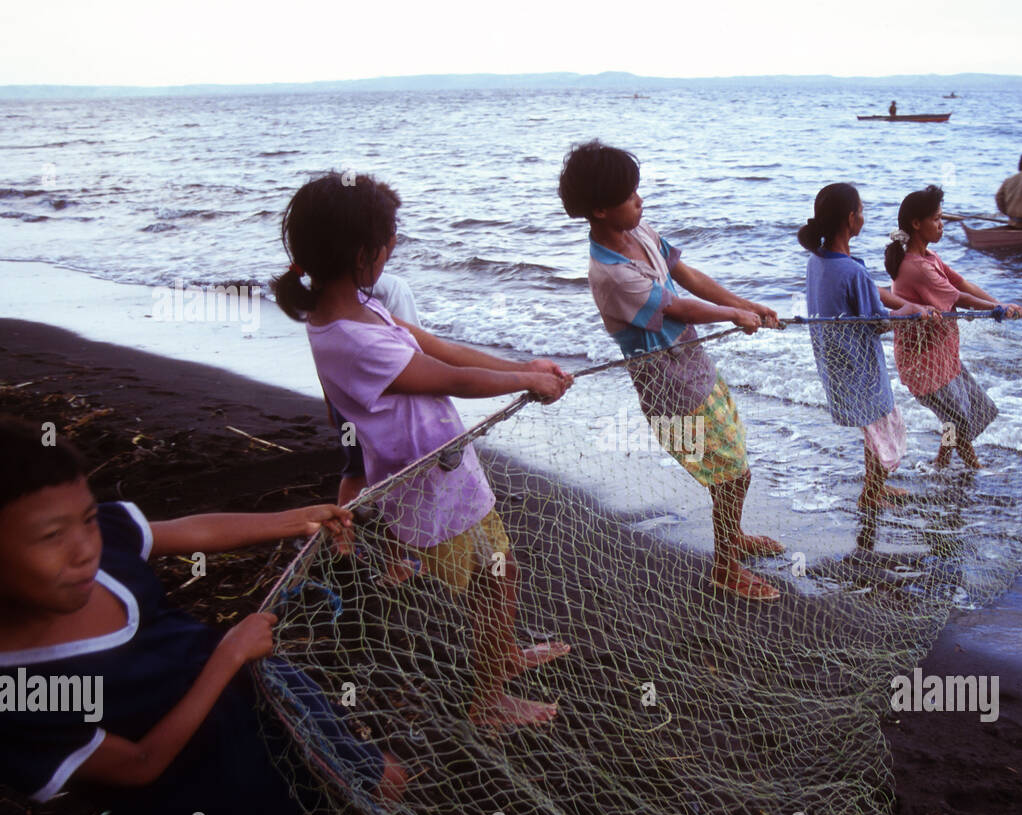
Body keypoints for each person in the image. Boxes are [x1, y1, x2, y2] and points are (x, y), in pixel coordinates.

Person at [0, 416, 405, 815]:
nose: (83, 548)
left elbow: (190, 531)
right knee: (359, 797)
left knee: (381, 783)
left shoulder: (107, 545)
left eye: (89, 519)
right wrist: (228, 656)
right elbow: (139, 764)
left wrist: (289, 520)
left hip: (257, 690)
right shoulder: (18, 690)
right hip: (205, 768)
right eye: (51, 536)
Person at [272, 172, 573, 730]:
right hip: (424, 487)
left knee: (500, 570)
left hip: (448, 471)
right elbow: (444, 376)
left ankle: (502, 656)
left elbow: (437, 346)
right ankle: (488, 701)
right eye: (389, 243)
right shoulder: (348, 338)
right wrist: (524, 385)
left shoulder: (362, 309)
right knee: (485, 582)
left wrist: (522, 366)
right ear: (365, 253)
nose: (393, 252)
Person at [558, 140, 785, 601]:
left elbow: (687, 275)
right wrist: (730, 317)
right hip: (670, 391)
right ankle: (726, 567)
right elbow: (678, 308)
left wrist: (744, 303)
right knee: (731, 473)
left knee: (732, 459)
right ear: (600, 210)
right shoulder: (611, 274)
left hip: (696, 369)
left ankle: (733, 538)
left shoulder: (638, 232)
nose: (639, 201)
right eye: (628, 196)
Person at [797, 182, 938, 511]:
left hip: (834, 359)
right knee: (880, 425)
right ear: (850, 219)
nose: (864, 216)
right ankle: (871, 495)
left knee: (873, 427)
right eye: (861, 210)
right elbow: (880, 321)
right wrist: (911, 312)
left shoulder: (819, 260)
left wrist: (910, 305)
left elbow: (869, 293)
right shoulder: (851, 270)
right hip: (859, 364)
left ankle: (874, 489)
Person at [884, 185, 1022, 469]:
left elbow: (962, 284)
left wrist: (1001, 304)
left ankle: (942, 461)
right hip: (922, 361)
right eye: (936, 219)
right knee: (958, 418)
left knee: (963, 412)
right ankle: (971, 463)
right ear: (916, 224)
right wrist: (996, 309)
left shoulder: (929, 258)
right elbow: (959, 297)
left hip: (942, 354)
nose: (941, 225)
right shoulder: (917, 267)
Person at [328, 272, 419, 506]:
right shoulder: (393, 287)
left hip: (344, 409)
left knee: (354, 469)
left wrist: (329, 402)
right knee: (401, 470)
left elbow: (325, 363)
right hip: (385, 408)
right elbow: (411, 351)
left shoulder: (328, 293)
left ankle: (344, 542)